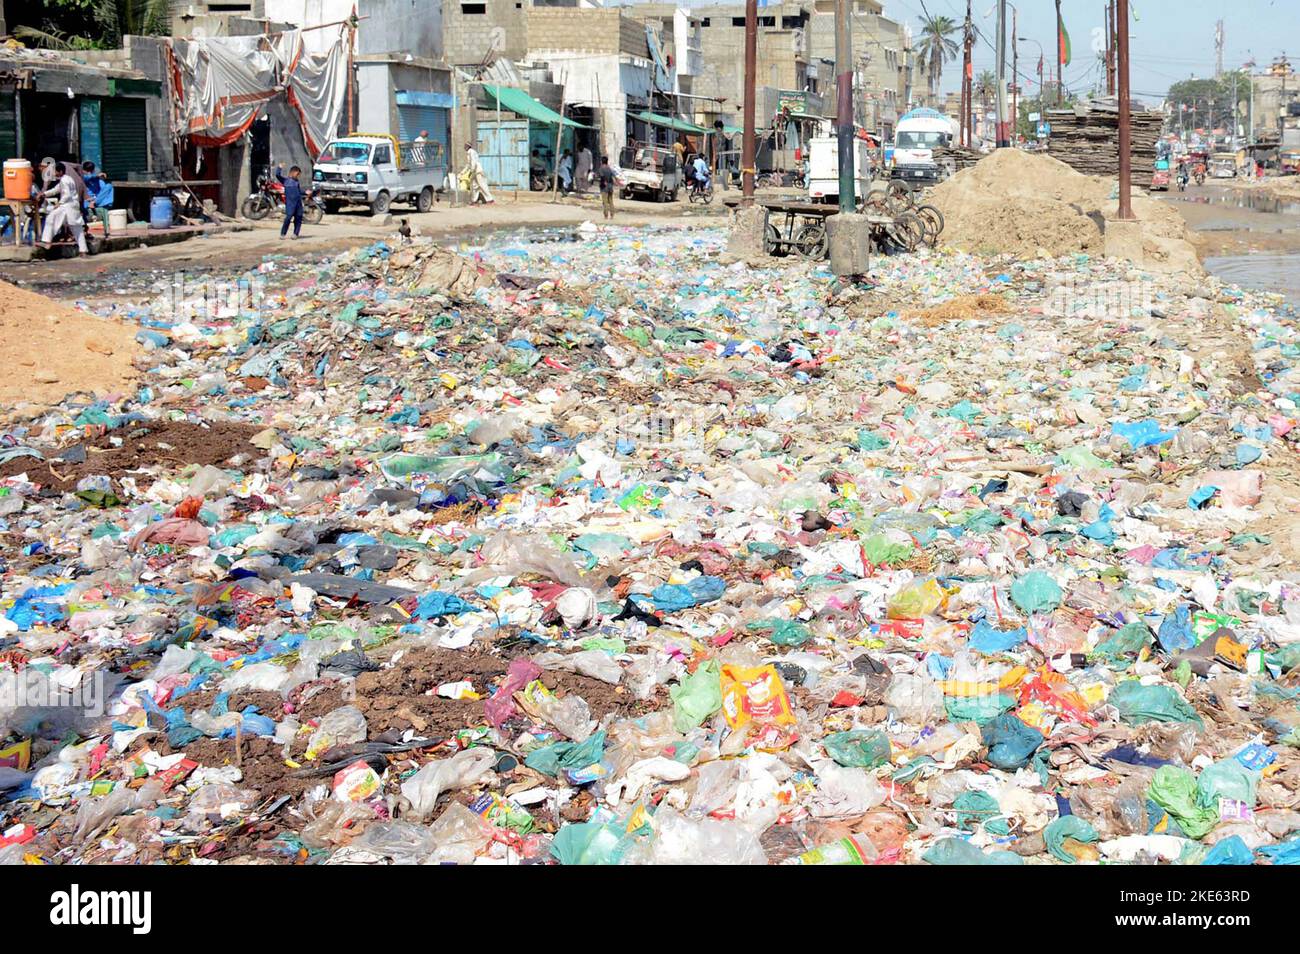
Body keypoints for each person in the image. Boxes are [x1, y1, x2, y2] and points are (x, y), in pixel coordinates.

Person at [39, 161, 88, 253]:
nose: (54, 174)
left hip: (66, 207)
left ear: (60, 171)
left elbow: (67, 195)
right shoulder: (67, 179)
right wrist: (44, 194)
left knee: (51, 218)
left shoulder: (64, 180)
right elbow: (56, 190)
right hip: (72, 206)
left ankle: (47, 242)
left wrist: (59, 203)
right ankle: (83, 250)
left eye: (55, 171)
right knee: (77, 229)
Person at [81, 160, 115, 237]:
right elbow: (87, 177)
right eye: (87, 171)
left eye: (90, 171)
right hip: (86, 200)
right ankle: (94, 203)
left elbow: (103, 189)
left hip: (96, 200)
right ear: (83, 171)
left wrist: (95, 200)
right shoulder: (83, 177)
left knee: (109, 186)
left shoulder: (97, 179)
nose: (89, 173)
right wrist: (96, 176)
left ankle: (95, 202)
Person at [276, 162, 309, 239]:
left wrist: (305, 192)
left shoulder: (296, 182)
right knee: (288, 217)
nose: (298, 176)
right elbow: (277, 175)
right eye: (297, 174)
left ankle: (295, 234)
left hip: (298, 203)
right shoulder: (285, 181)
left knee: (298, 218)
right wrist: (279, 167)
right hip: (290, 204)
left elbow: (299, 191)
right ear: (293, 172)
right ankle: (283, 233)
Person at [596, 154, 616, 220]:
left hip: (604, 187)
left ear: (602, 161)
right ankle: (612, 215)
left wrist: (603, 181)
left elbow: (602, 176)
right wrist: (618, 182)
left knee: (605, 202)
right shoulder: (609, 168)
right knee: (610, 201)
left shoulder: (601, 168)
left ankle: (606, 215)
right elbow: (614, 176)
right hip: (610, 186)